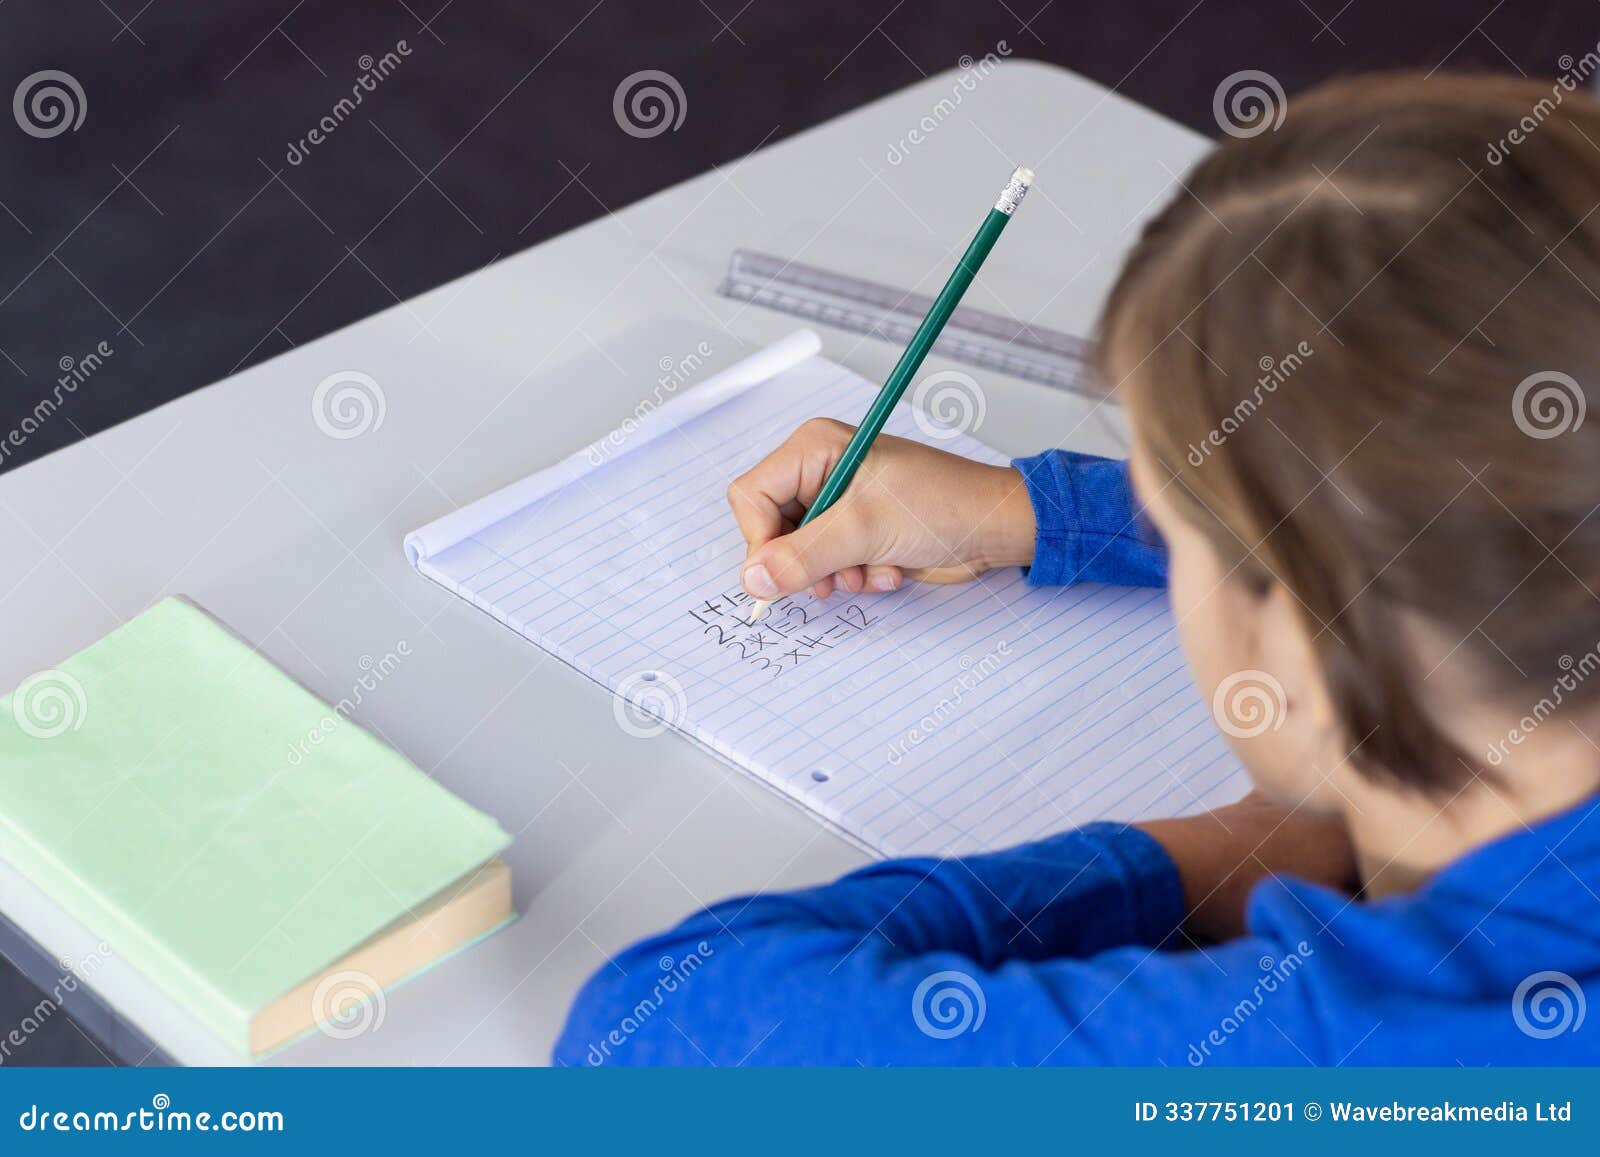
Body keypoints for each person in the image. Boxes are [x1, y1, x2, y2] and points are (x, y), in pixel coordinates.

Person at [554, 72, 1600, 1065]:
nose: (1153, 530)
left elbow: (652, 1030)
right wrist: (1031, 510)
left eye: (1173, 525)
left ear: (1293, 646)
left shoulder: (1348, 1042)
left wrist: (1220, 849)